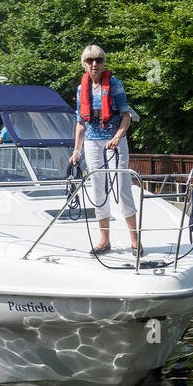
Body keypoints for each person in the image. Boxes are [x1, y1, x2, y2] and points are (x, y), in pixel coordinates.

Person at [69, 45, 140, 255]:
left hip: (114, 141)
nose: (94, 64)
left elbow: (126, 116)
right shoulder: (82, 89)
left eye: (98, 61)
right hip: (92, 142)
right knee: (98, 189)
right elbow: (81, 123)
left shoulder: (115, 84)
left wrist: (117, 137)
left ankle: (135, 240)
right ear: (84, 64)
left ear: (103, 63)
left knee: (122, 187)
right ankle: (104, 240)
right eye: (90, 61)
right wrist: (76, 151)